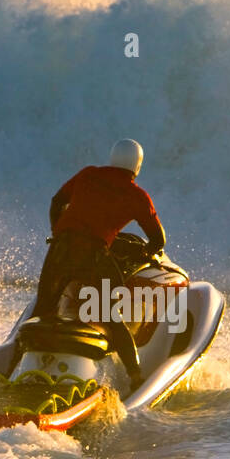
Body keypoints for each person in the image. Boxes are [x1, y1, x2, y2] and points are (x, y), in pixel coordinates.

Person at [29, 139, 166, 390]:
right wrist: (147, 253)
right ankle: (136, 378)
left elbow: (57, 201)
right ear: (137, 166)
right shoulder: (137, 195)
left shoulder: (88, 174)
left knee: (42, 309)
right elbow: (158, 239)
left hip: (60, 250)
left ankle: (14, 369)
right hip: (93, 256)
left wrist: (57, 232)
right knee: (112, 318)